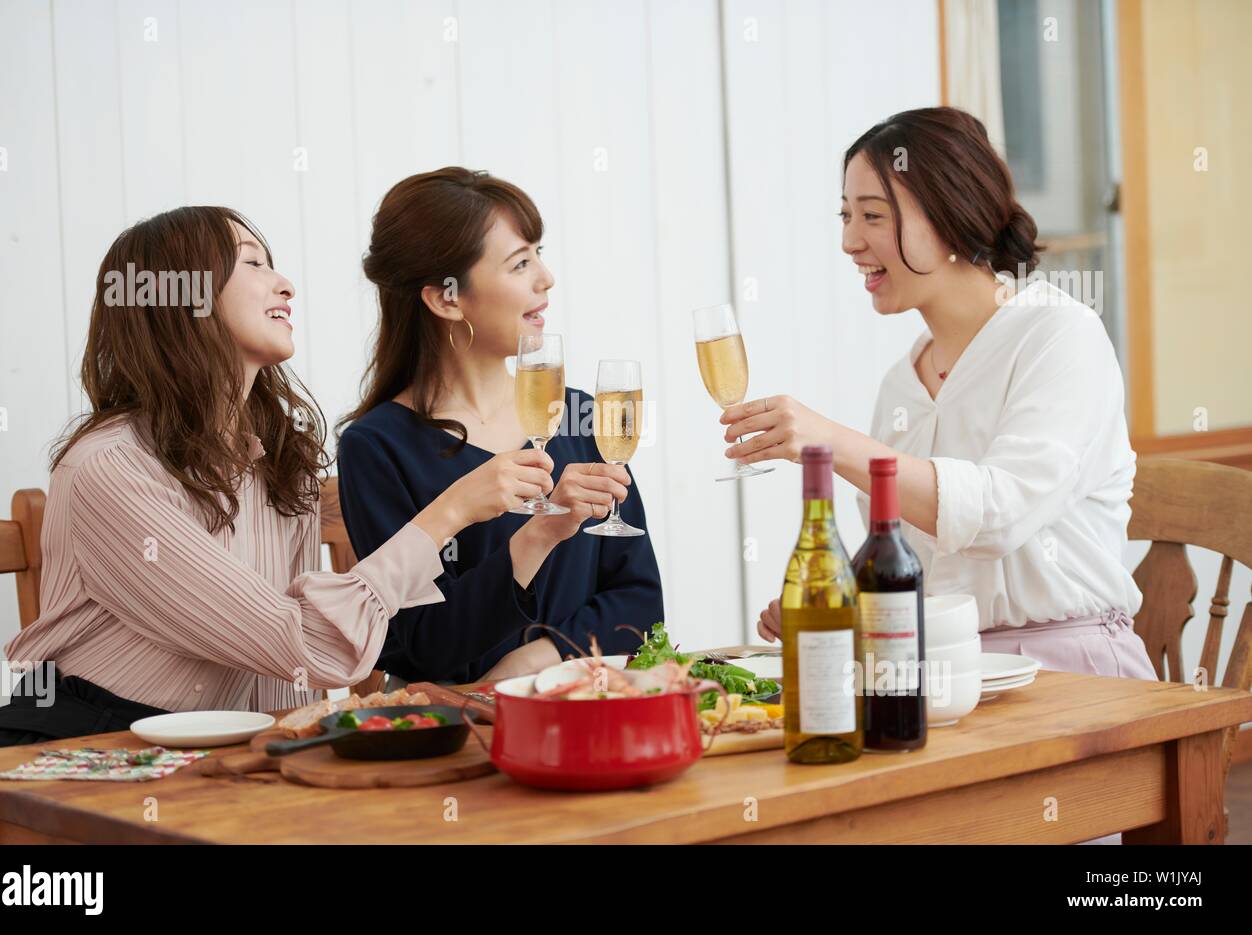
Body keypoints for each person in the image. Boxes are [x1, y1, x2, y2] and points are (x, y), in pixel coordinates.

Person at [0, 206, 548, 751]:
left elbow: (282, 677)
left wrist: (290, 761)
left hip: (217, 749)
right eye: (252, 263)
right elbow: (302, 642)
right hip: (87, 742)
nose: (285, 284)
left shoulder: (274, 458)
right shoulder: (108, 469)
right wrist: (449, 512)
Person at [744, 108, 1155, 684]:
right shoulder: (903, 381)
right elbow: (917, 570)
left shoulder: (1059, 335)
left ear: (949, 214)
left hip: (1072, 676)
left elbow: (996, 517)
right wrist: (834, 616)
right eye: (845, 215)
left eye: (872, 216)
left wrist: (831, 441)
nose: (849, 241)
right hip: (944, 674)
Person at [337, 167, 663, 686]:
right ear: (447, 297)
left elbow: (641, 603)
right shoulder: (376, 447)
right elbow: (423, 648)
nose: (546, 278)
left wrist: (542, 657)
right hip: (456, 733)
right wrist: (537, 537)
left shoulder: (577, 414)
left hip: (581, 704)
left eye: (538, 253)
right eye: (520, 264)